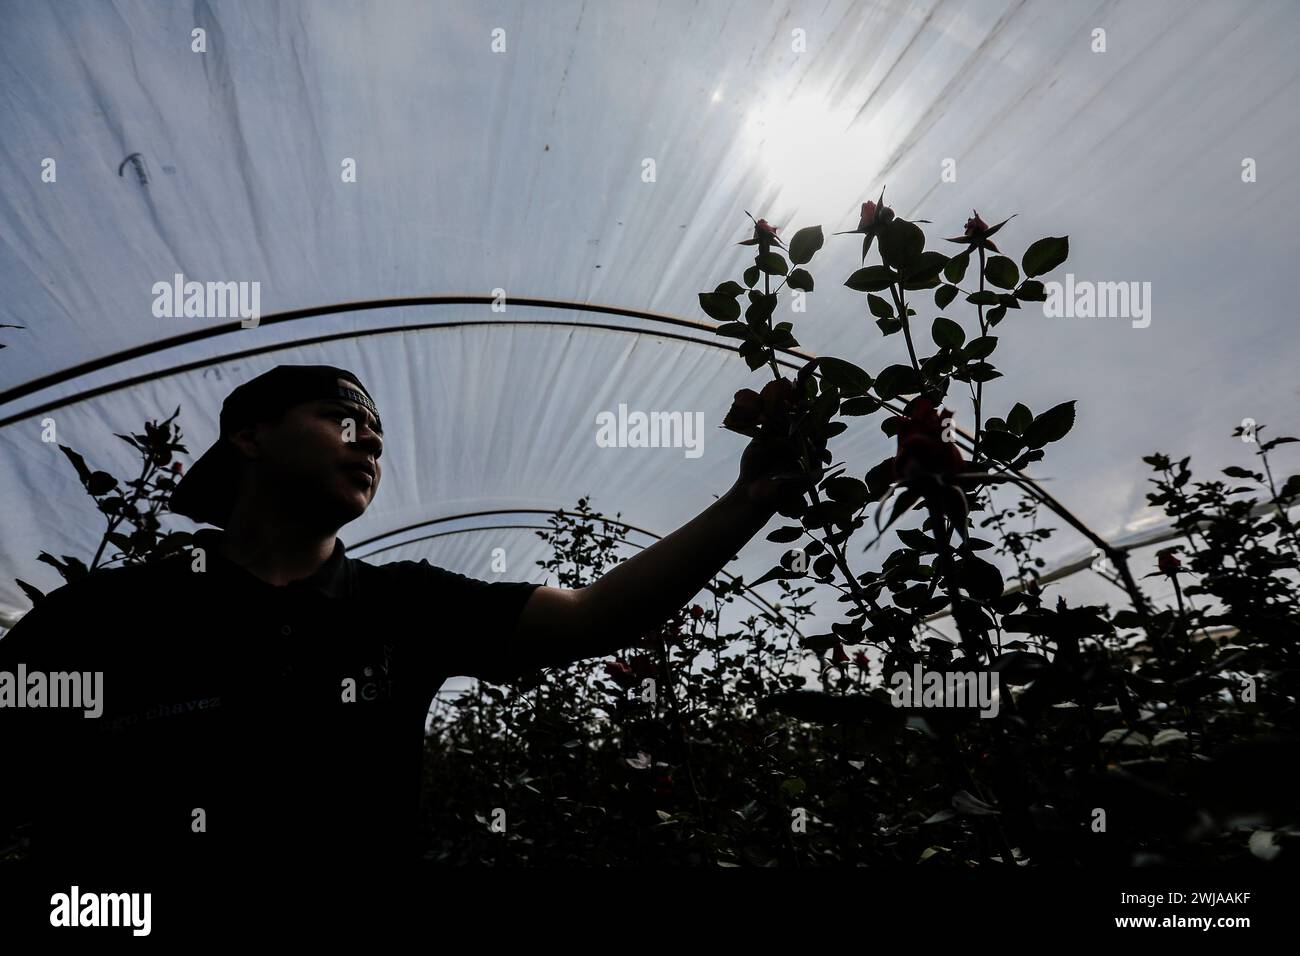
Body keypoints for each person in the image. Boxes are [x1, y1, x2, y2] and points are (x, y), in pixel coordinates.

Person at [0, 363, 803, 874]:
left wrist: (749, 501)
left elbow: (592, 619)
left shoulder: (404, 606)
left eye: (378, 441)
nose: (369, 446)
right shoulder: (108, 614)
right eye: (341, 421)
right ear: (248, 436)